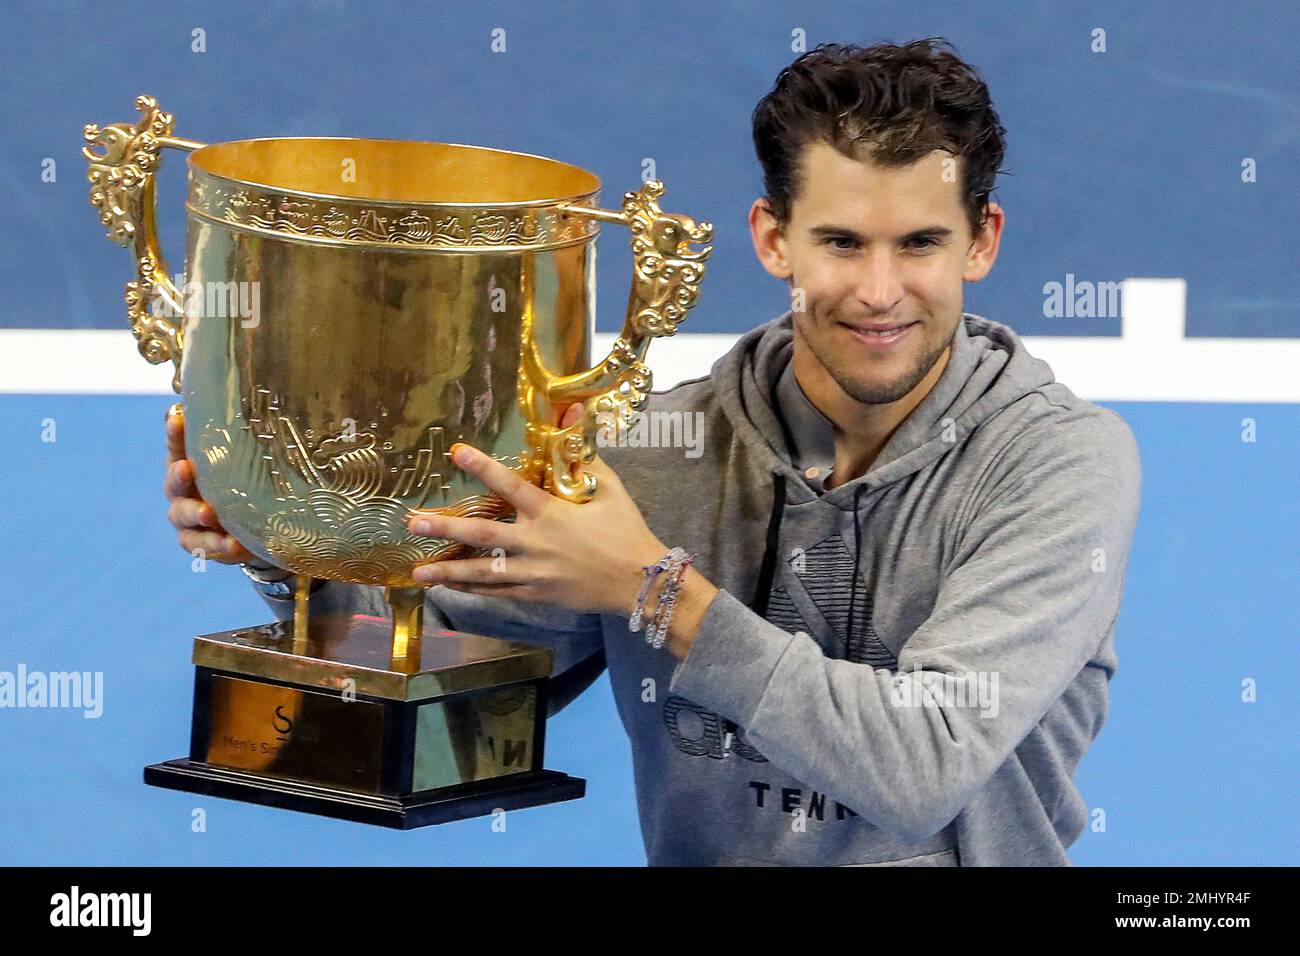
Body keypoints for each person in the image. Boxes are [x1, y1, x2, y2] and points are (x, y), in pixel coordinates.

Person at [164, 38, 1141, 866]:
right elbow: (452, 696)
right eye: (840, 242)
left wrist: (656, 590)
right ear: (772, 239)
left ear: (982, 242)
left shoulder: (1061, 464)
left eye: (919, 244)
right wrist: (287, 537)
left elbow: (920, 764)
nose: (879, 290)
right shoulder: (647, 455)